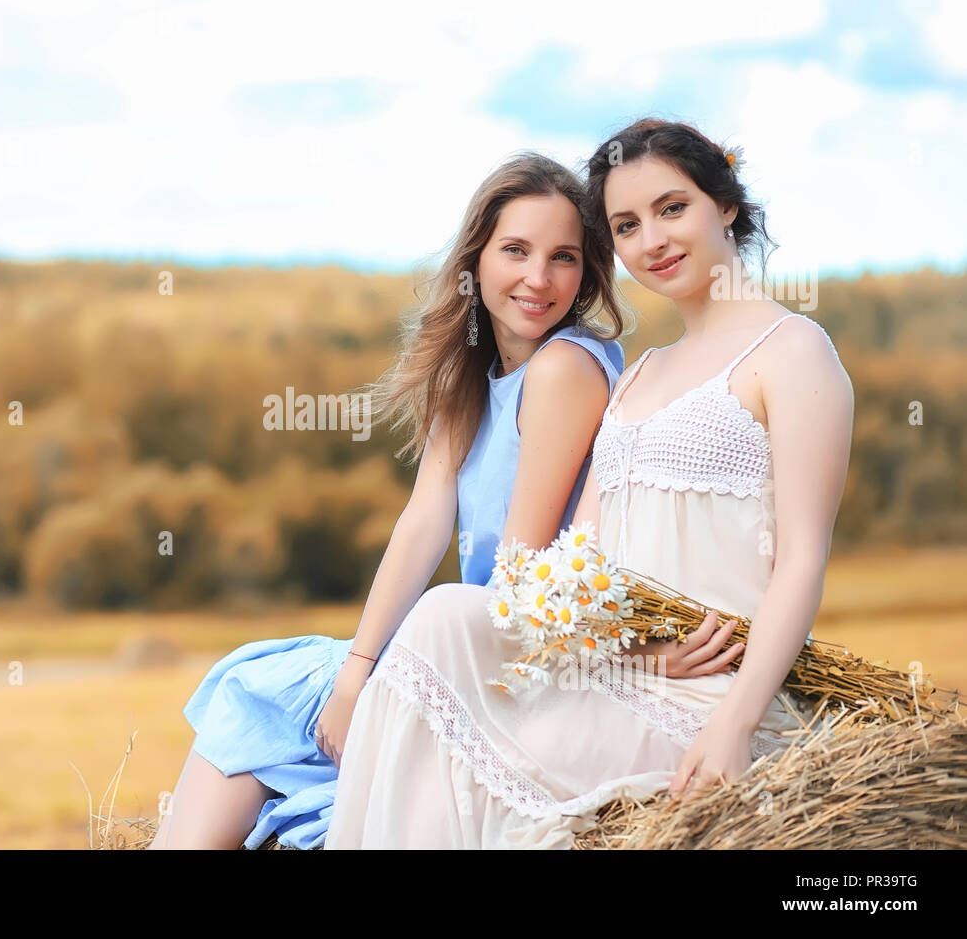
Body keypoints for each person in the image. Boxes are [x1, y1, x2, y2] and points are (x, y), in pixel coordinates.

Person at [325, 117, 854, 849]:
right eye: (627, 225)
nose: (654, 241)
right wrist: (624, 654)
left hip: (715, 695)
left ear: (725, 204)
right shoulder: (640, 374)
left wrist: (732, 725)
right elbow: (576, 563)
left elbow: (802, 560)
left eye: (673, 208)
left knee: (445, 659)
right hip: (623, 676)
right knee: (446, 618)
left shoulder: (793, 351)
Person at [148, 151, 630, 849]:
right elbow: (423, 523)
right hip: (473, 634)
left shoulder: (563, 370)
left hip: (519, 655)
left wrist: (382, 682)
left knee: (264, 691)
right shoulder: (475, 372)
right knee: (272, 683)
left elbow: (519, 580)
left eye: (564, 257)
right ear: (477, 258)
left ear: (587, 275)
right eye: (516, 250)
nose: (538, 278)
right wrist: (356, 674)